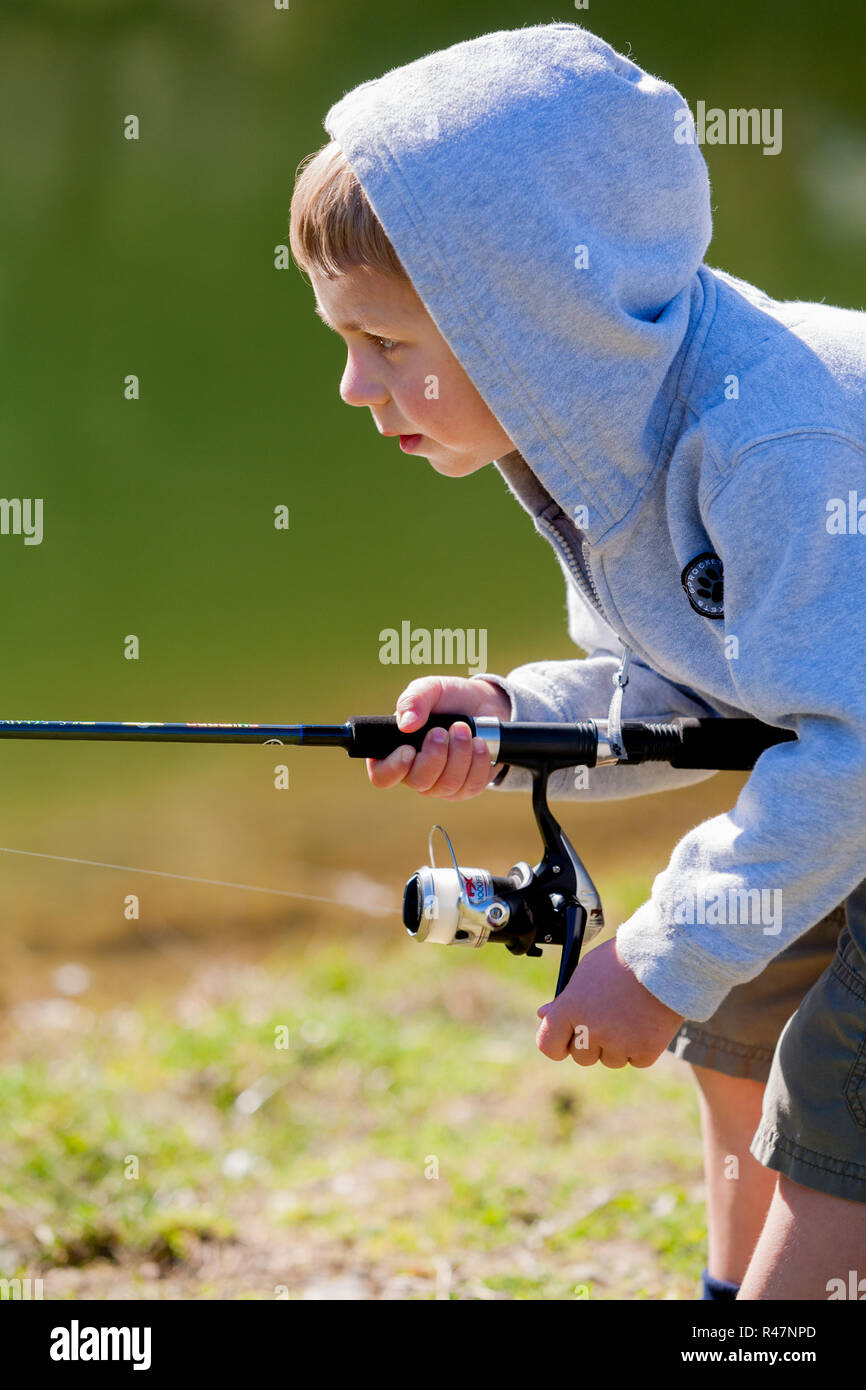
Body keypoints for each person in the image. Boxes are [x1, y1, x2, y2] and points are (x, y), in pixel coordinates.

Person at [289, 22, 866, 1300]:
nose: (351, 384)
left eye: (386, 343)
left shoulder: (768, 443)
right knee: (737, 1026)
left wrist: (652, 960)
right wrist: (510, 718)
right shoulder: (604, 442)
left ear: (530, 324)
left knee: (843, 1105)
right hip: (846, 758)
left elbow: (849, 752)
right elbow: (689, 692)